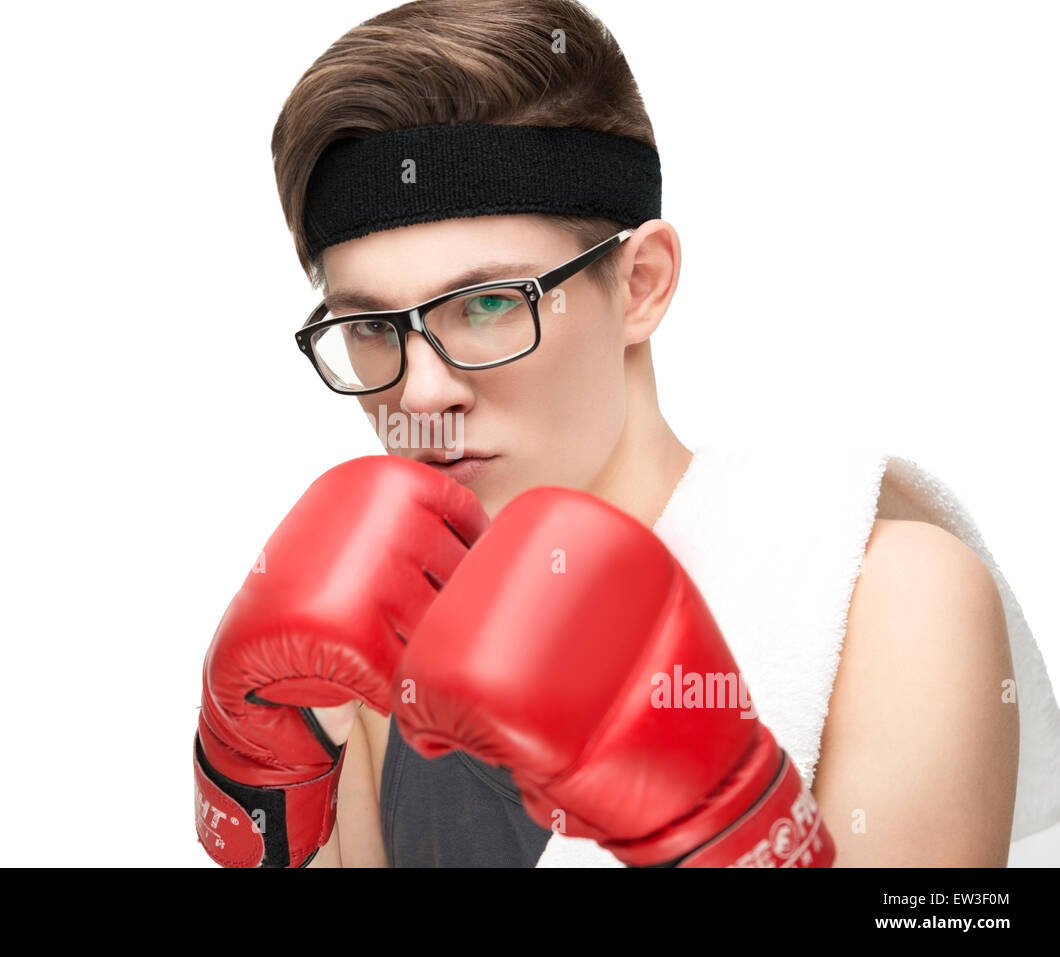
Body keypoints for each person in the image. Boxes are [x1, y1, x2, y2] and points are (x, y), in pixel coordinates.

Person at [194, 0, 1060, 867]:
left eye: (489, 304)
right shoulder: (373, 656)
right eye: (372, 326)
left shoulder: (890, 599)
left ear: (641, 283)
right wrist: (260, 814)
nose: (421, 391)